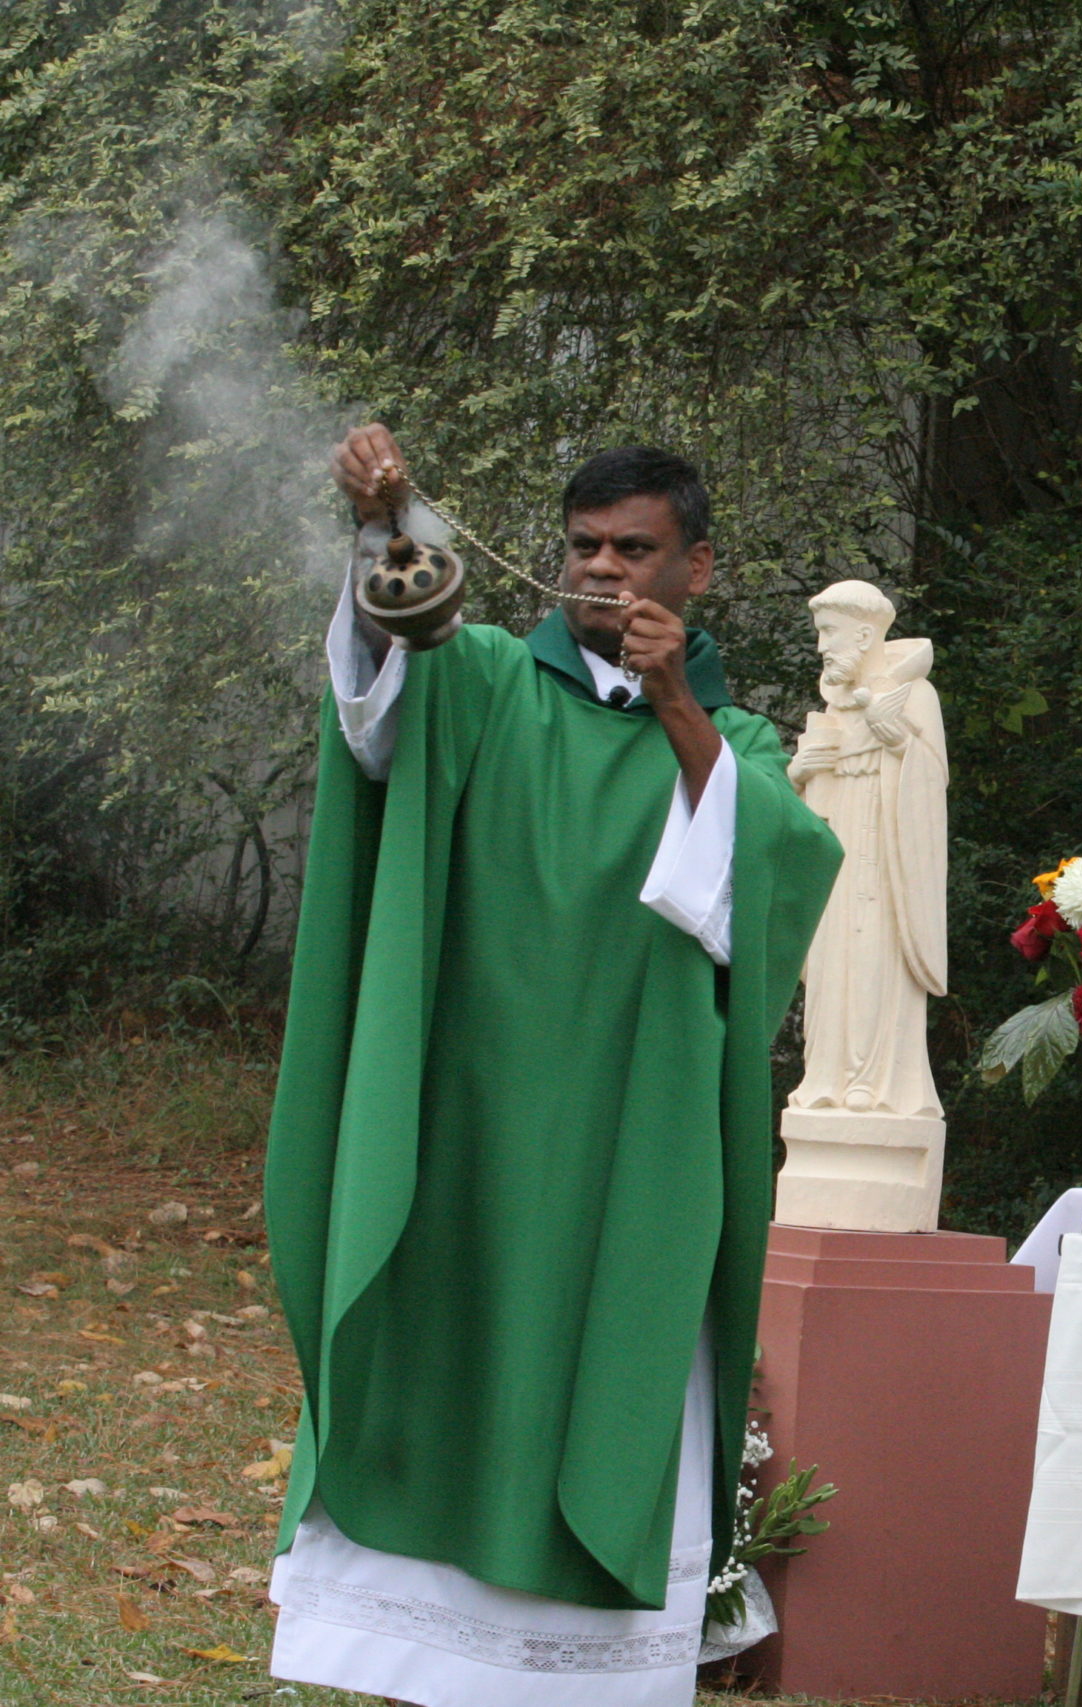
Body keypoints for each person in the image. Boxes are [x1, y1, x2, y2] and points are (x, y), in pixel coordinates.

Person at [263, 424, 841, 1705]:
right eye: (583, 547)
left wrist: (678, 704)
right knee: (441, 1366)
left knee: (616, 1383)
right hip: (462, 1129)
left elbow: (772, 885)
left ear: (696, 569)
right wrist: (385, 529)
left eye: (634, 550)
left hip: (629, 1151)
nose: (601, 571)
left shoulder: (733, 742)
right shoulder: (479, 677)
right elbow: (375, 706)